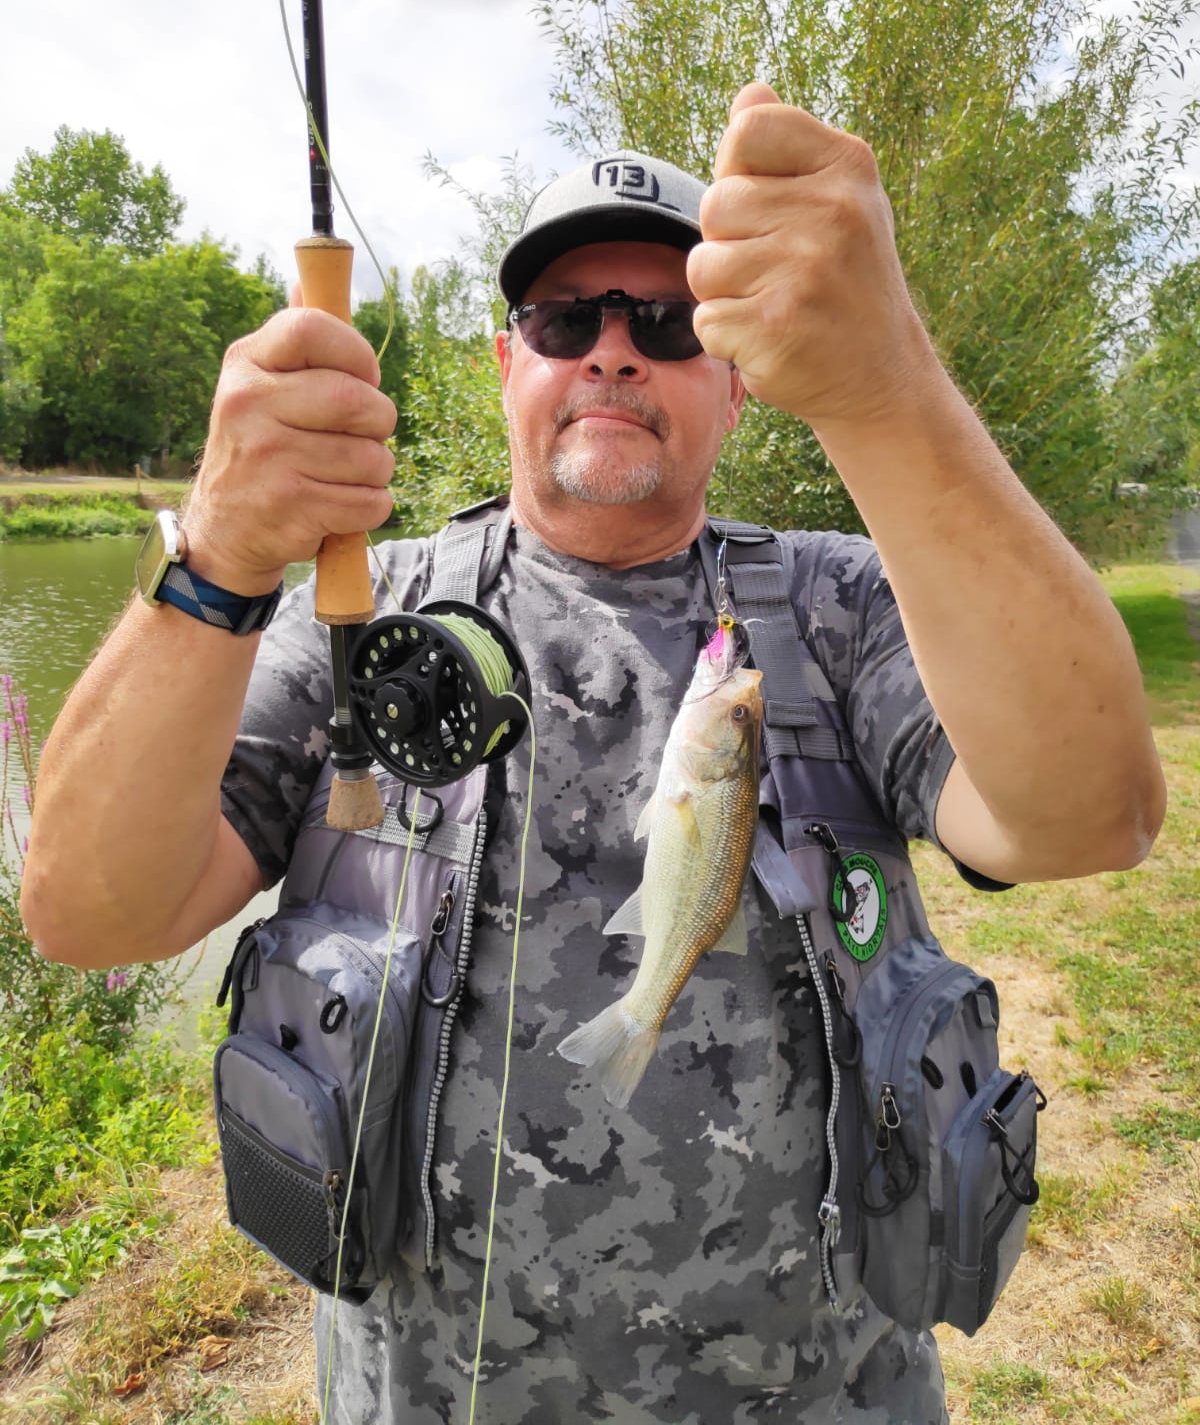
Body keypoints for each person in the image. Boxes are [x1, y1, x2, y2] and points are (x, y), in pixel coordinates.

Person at [21, 83, 1164, 1423]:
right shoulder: (355, 613)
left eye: (669, 321)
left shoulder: (845, 608)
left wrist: (887, 387)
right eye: (567, 319)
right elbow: (87, 912)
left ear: (736, 381)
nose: (614, 353)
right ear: (509, 367)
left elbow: (1090, 817)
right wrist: (216, 559)